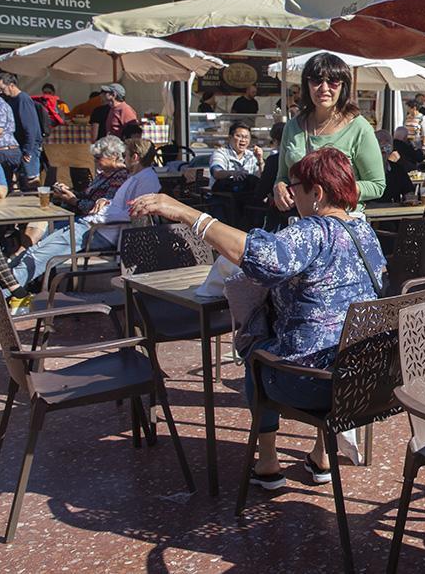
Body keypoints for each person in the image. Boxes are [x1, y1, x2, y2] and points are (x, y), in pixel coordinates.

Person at [130, 147, 386, 489]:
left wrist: (185, 213)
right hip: (363, 381)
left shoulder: (313, 231)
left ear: (317, 192)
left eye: (295, 186)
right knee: (312, 337)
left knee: (256, 351)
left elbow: (253, 255)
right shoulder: (365, 232)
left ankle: (267, 461)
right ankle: (322, 455)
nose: (290, 193)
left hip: (313, 384)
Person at [9, 138, 160, 289]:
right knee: (36, 250)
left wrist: (99, 213)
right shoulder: (136, 177)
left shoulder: (145, 179)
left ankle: (2, 292)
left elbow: (136, 213)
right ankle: (3, 281)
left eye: (125, 155)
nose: (123, 159)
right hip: (94, 224)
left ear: (134, 158)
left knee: (40, 255)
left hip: (100, 229)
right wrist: (105, 201)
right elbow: (123, 205)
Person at [273, 53, 385, 212]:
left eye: (333, 81)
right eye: (317, 80)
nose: (324, 88)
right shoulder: (292, 126)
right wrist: (279, 187)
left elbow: (377, 185)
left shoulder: (359, 128)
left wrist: (334, 189)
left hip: (342, 224)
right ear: (307, 84)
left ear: (343, 86)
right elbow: (282, 176)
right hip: (301, 222)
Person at [0, 73, 46, 190]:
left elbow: (31, 127)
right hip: (22, 146)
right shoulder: (11, 100)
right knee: (23, 181)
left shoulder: (23, 99)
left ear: (12, 85)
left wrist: (28, 150)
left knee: (31, 180)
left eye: (2, 88)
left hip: (29, 146)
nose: (0, 92)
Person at [374, 129, 416, 203]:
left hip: (393, 211)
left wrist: (410, 199)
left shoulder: (398, 169)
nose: (384, 145)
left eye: (387, 141)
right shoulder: (365, 170)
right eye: (379, 141)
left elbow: (409, 192)